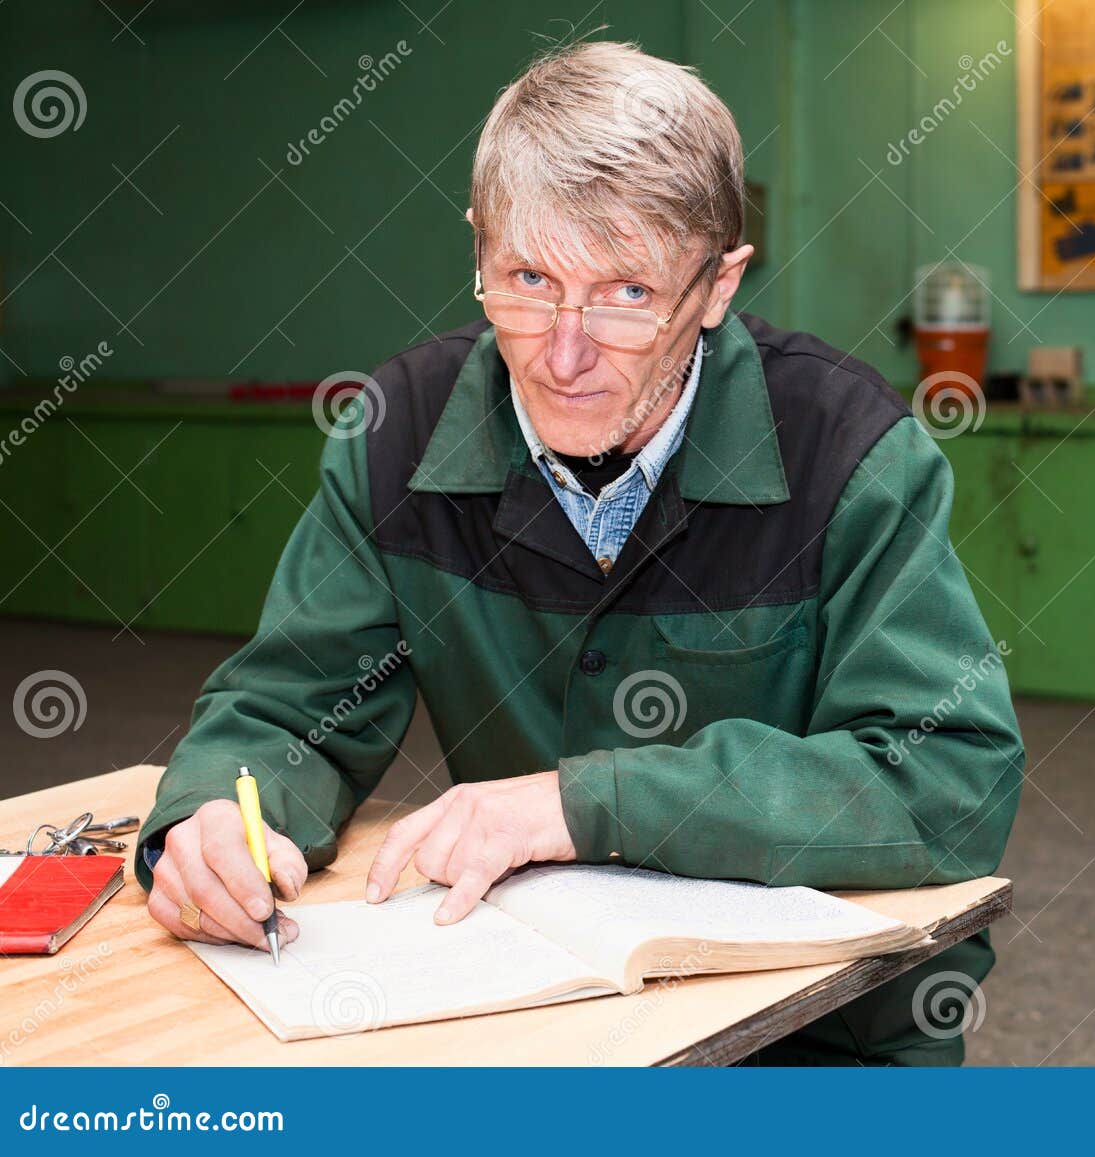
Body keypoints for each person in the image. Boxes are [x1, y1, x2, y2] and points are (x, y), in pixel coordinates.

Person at [137, 40, 1023, 1065]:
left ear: (718, 284)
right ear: (478, 248)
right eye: (526, 278)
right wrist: (211, 812)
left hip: (818, 1040)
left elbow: (946, 780)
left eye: (627, 294)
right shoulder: (396, 434)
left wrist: (581, 801)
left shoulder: (849, 449)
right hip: (539, 1016)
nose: (563, 355)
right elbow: (291, 705)